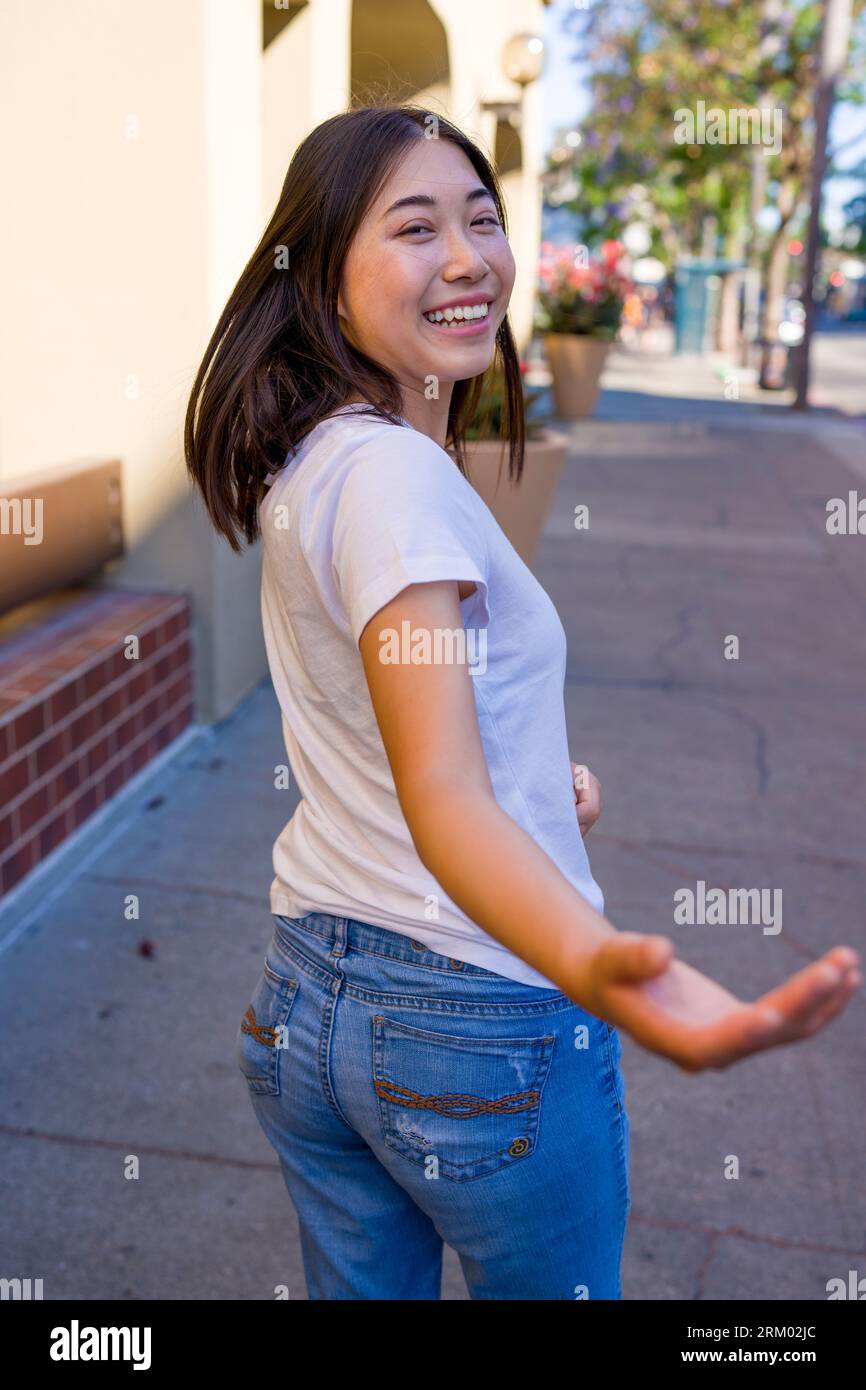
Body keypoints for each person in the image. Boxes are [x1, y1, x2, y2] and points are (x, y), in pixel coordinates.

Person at [184, 105, 861, 1300]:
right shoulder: (396, 475)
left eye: (482, 219)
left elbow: (393, 730)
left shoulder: (321, 460)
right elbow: (442, 797)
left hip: (308, 989)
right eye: (413, 228)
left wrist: (537, 783)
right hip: (470, 1016)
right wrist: (630, 980)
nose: (466, 257)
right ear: (324, 279)